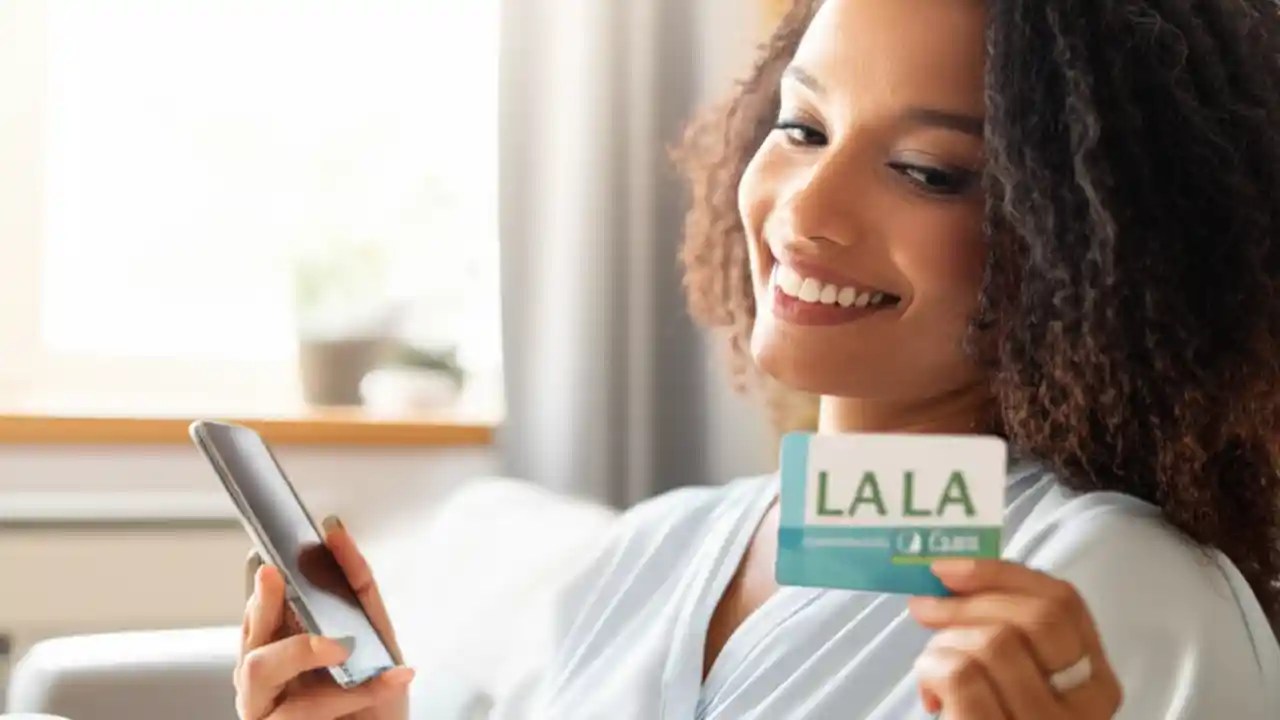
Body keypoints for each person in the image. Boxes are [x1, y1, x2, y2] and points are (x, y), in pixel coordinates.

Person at [232, 0, 1280, 717]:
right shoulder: (655, 552)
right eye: (802, 126)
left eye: (924, 172)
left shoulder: (1119, 589)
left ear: (1095, 233)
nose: (805, 211)